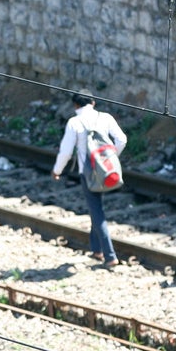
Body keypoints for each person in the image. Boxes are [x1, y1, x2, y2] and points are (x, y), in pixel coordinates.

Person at [51, 89, 127, 268]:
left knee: (97, 211)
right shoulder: (106, 117)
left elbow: (66, 152)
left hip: (88, 174)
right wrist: (110, 159)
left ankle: (109, 255)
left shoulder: (74, 122)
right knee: (96, 208)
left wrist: (57, 170)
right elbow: (122, 139)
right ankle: (97, 250)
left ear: (75, 105)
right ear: (93, 103)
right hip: (108, 172)